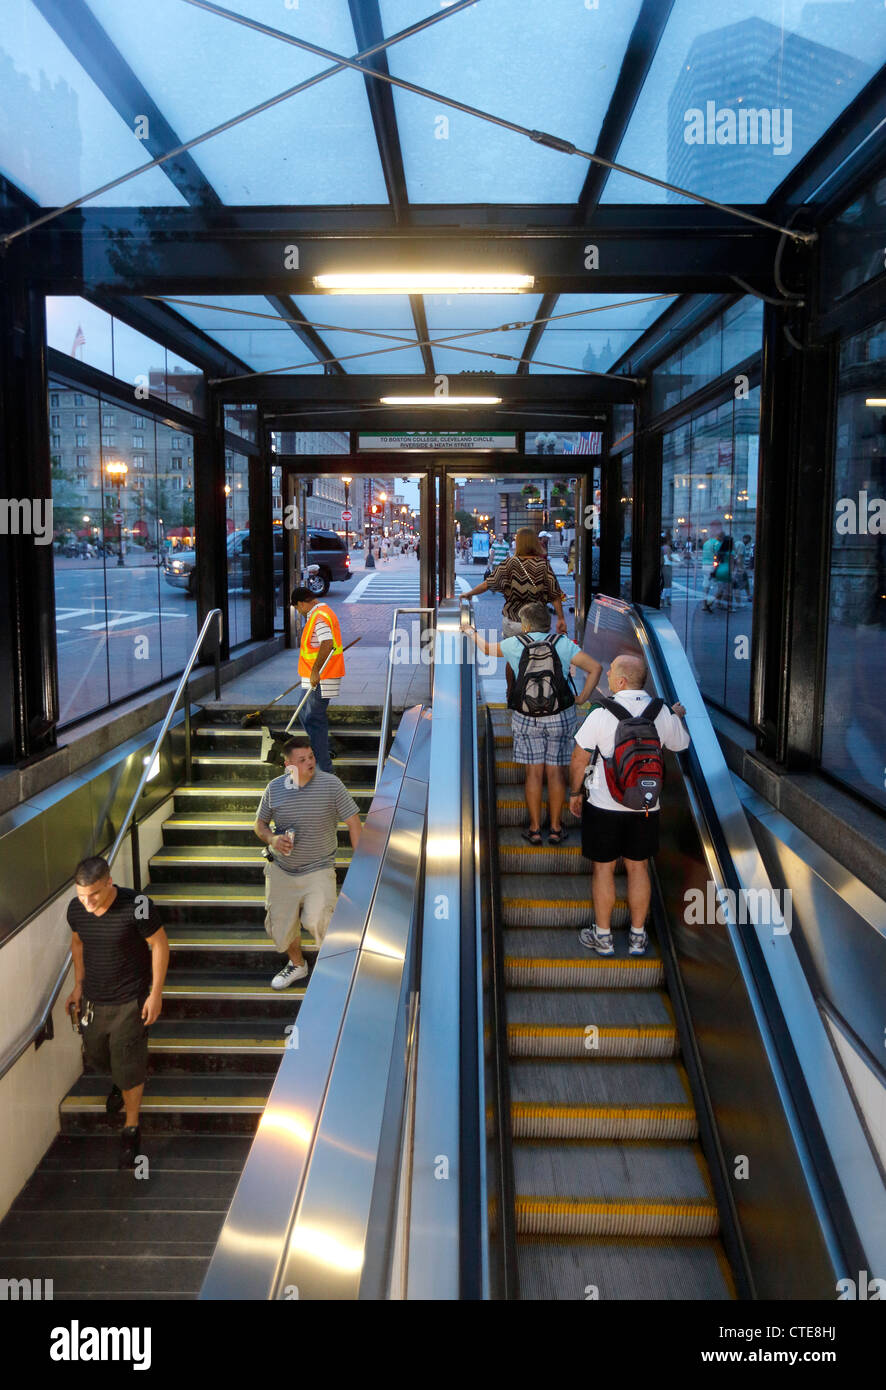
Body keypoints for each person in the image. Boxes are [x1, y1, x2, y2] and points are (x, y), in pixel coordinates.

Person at [568, 654, 689, 957]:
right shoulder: (660, 711)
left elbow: (579, 758)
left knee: (604, 870)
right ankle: (637, 937)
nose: (606, 674)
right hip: (646, 808)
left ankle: (604, 937)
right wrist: (675, 717)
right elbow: (680, 744)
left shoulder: (601, 713)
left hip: (603, 806)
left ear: (621, 681)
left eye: (610, 671)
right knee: (639, 869)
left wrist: (575, 792)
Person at [64, 857, 169, 1167]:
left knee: (129, 1063)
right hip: (94, 1000)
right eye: (81, 895)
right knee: (97, 1055)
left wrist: (156, 993)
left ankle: (131, 1127)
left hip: (129, 1002)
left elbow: (160, 945)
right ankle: (119, 1080)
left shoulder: (137, 904)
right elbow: (77, 945)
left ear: (109, 882)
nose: (86, 902)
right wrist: (78, 986)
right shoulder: (76, 909)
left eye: (93, 894)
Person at [471, 601, 602, 843]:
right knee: (555, 773)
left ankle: (533, 829)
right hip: (561, 716)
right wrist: (582, 698)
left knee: (533, 773)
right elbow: (596, 667)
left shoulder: (515, 643)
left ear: (526, 625)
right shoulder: (562, 644)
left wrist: (471, 632)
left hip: (526, 717)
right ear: (548, 623)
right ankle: (554, 828)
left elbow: (487, 649)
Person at [254, 737, 362, 988]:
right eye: (302, 760)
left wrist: (362, 863)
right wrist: (272, 838)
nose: (310, 762)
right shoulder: (274, 788)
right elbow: (259, 824)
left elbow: (354, 823)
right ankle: (297, 964)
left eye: (311, 756)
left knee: (318, 919)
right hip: (281, 868)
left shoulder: (331, 785)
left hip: (319, 867)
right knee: (280, 927)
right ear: (288, 764)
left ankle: (332, 967)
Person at [291, 585, 346, 773]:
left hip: (321, 678)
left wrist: (315, 671)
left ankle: (324, 768)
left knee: (314, 718)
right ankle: (324, 747)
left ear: (301, 603)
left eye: (297, 608)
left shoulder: (319, 616)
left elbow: (327, 643)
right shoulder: (319, 614)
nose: (298, 611)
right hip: (313, 677)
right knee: (305, 714)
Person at [700, 522, 723, 611]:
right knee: (720, 586)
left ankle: (704, 605)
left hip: (704, 566)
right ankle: (712, 602)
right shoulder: (717, 543)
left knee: (706, 586)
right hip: (712, 566)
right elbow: (717, 556)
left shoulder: (706, 543)